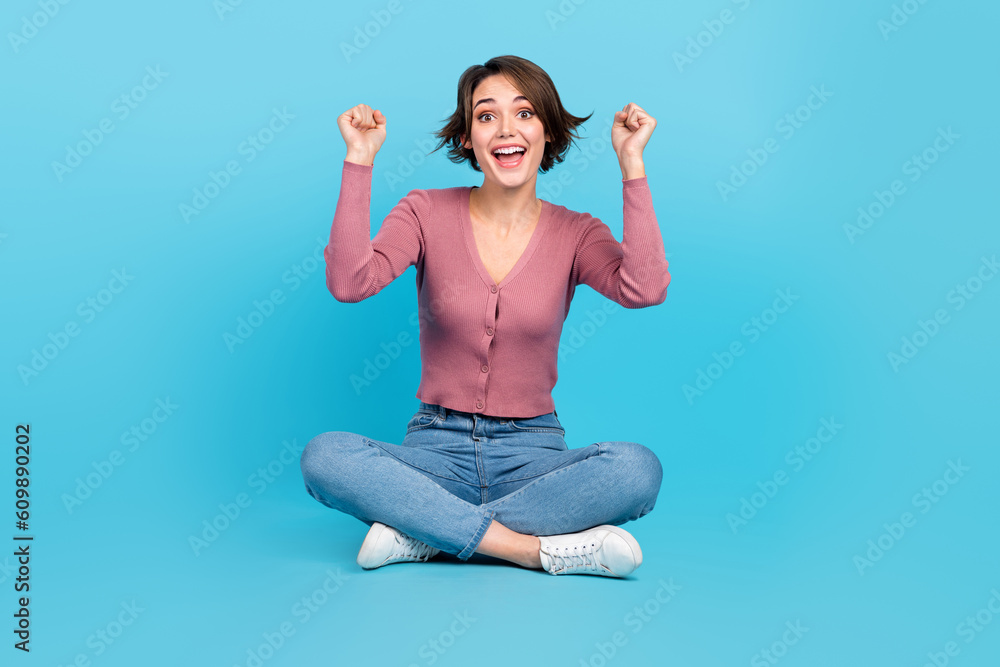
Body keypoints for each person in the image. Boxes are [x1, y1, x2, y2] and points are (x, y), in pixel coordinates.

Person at [299, 55, 670, 578]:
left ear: (547, 131)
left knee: (637, 470)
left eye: (524, 113)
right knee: (325, 457)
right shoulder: (425, 211)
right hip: (435, 451)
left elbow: (646, 287)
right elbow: (349, 282)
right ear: (469, 137)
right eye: (486, 115)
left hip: (534, 457)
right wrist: (359, 159)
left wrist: (632, 162)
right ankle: (530, 549)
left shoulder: (578, 233)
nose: (506, 130)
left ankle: (426, 533)